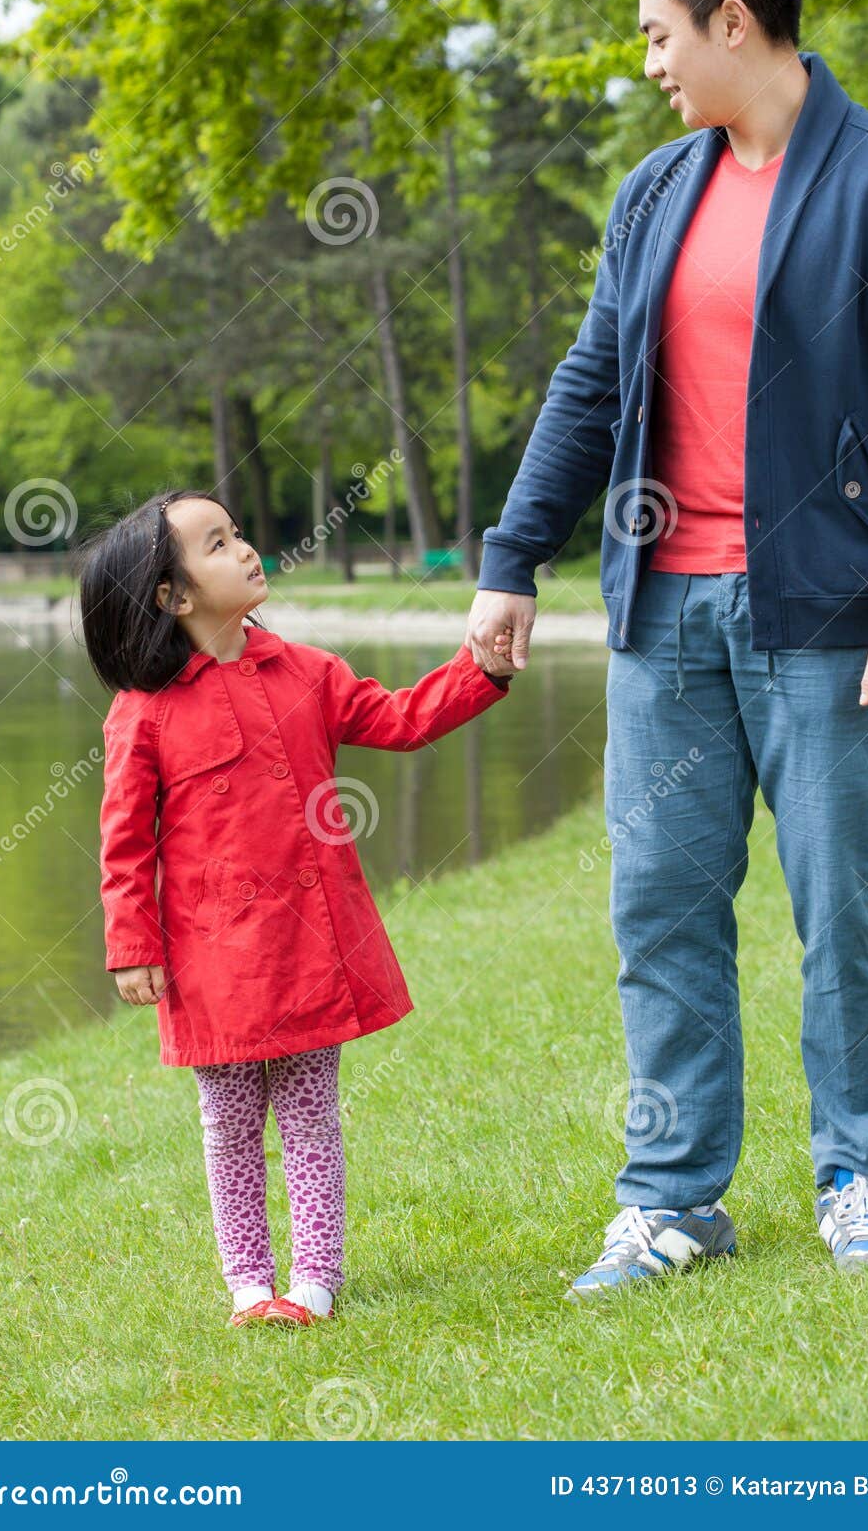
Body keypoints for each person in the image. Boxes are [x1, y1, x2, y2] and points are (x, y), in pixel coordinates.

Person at [467, 0, 868, 1288]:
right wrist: (510, 556)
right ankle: (672, 1196)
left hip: (823, 614)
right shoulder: (653, 192)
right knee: (657, 905)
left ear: (733, 24)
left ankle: (859, 1170)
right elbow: (591, 385)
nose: (646, 60)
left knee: (844, 909)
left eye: (656, 33)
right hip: (660, 621)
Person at [80, 489, 513, 1327]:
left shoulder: (309, 672)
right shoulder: (144, 714)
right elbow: (124, 841)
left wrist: (481, 669)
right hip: (216, 964)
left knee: (312, 1116)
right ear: (172, 595)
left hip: (315, 950)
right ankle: (249, 1284)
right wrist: (133, 943)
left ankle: (314, 1281)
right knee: (230, 1124)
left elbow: (399, 718)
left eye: (237, 533)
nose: (245, 550)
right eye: (217, 544)